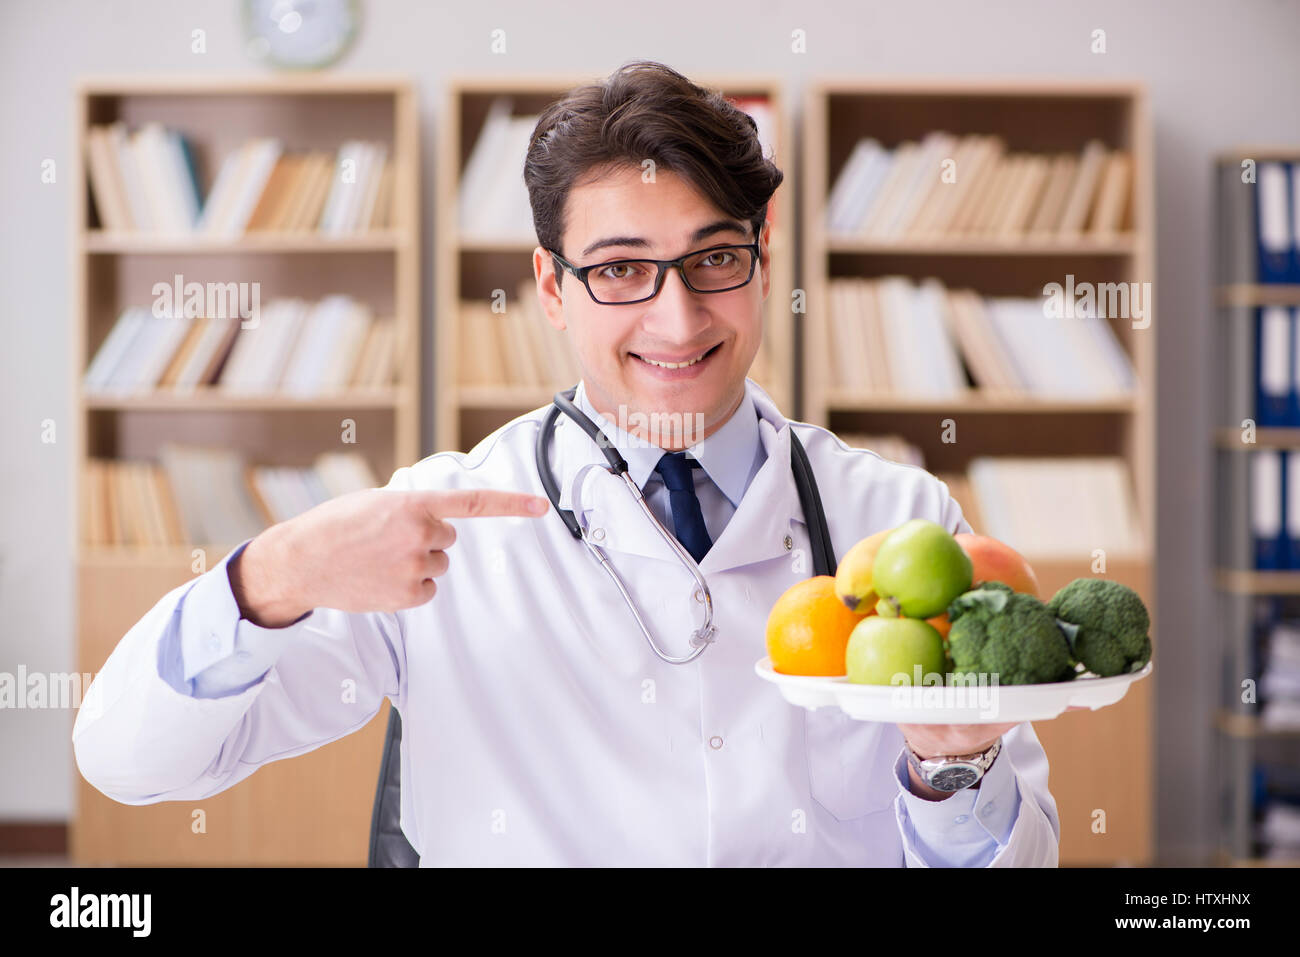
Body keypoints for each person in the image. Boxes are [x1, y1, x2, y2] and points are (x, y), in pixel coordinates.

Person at [73, 60, 1059, 866]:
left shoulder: (899, 520)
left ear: (762, 255)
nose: (676, 321)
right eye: (621, 269)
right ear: (551, 286)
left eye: (714, 258)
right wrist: (271, 577)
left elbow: (1014, 864)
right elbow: (128, 759)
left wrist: (951, 775)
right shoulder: (431, 530)